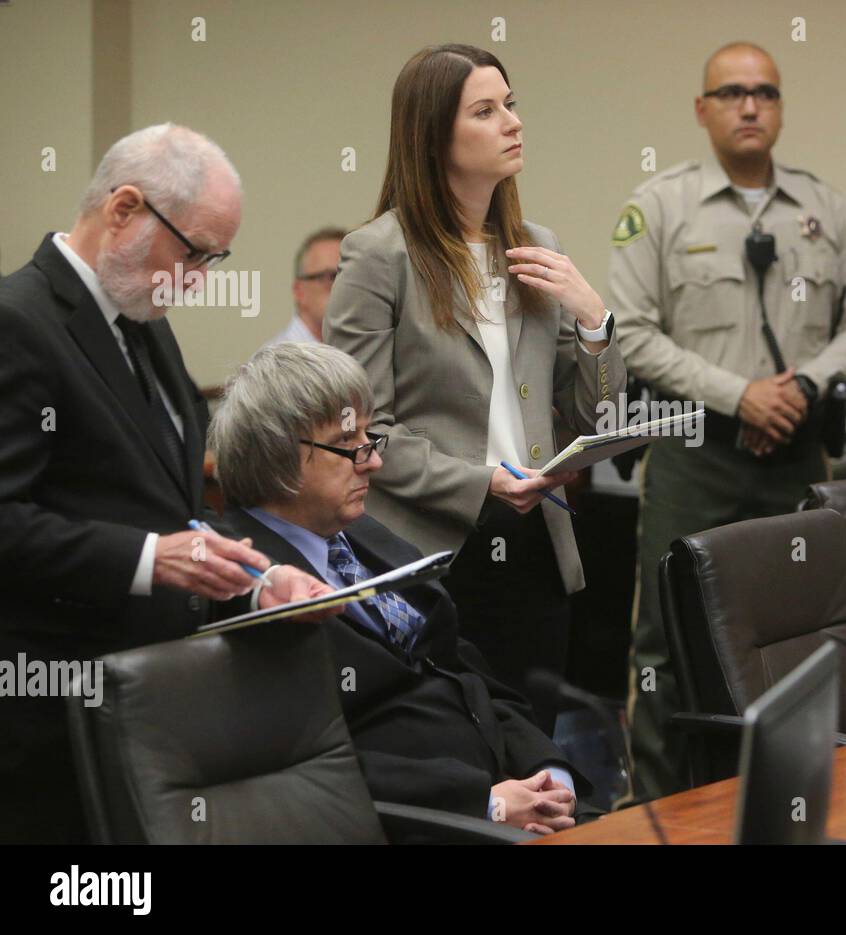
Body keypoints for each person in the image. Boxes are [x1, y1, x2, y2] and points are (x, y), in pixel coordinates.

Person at [0, 124, 329, 843]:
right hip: (50, 714)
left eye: (216, 259)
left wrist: (256, 579)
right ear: (122, 209)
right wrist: (152, 559)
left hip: (151, 707)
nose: (199, 278)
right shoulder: (16, 320)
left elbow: (171, 509)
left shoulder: (144, 323)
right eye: (193, 252)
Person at [608, 42, 846, 799]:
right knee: (669, 636)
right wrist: (740, 396)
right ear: (702, 110)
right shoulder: (659, 207)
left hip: (795, 455)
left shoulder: (825, 211)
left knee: (798, 630)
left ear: (781, 105)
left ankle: (787, 800)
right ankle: (659, 807)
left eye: (764, 91)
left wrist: (798, 387)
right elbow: (631, 332)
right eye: (731, 93)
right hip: (696, 452)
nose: (750, 105)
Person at [325, 45, 626, 733]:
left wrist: (594, 319)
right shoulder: (380, 255)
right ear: (434, 135)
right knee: (464, 757)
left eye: (511, 105)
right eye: (486, 111)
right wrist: (483, 480)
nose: (512, 123)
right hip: (434, 551)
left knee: (537, 757)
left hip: (536, 549)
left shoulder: (535, 246)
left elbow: (597, 418)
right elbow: (363, 433)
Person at [210, 343, 589, 836]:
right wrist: (482, 805)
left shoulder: (366, 536)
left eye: (371, 437)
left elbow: (463, 670)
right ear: (278, 457)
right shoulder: (247, 582)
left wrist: (548, 770)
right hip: (412, 825)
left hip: (504, 800)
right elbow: (301, 761)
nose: (373, 462)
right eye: (350, 442)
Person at [261, 226, 345, 347]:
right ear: (299, 291)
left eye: (350, 278)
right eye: (331, 277)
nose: (344, 288)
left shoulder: (363, 351)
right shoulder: (278, 362)